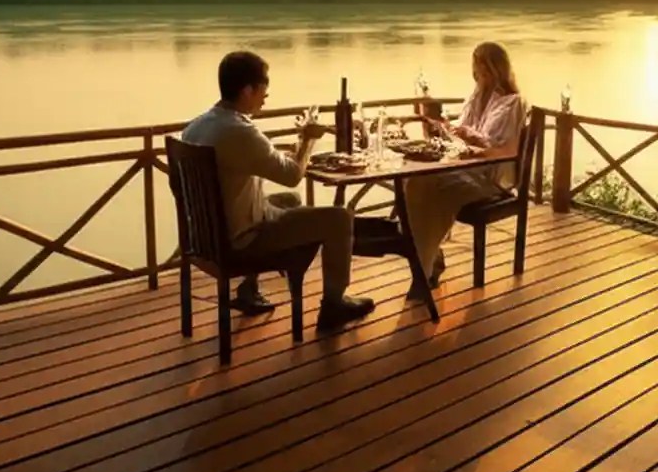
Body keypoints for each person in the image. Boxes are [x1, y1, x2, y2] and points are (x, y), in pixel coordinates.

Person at [180, 50, 376, 331]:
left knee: (290, 201)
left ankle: (249, 290)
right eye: (264, 90)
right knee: (339, 218)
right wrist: (308, 139)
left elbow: (262, 161)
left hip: (205, 236)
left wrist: (296, 146)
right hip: (241, 240)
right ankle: (334, 303)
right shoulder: (240, 132)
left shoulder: (197, 126)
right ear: (247, 90)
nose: (265, 97)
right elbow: (293, 174)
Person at [404, 42, 527, 299]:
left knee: (431, 186)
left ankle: (424, 270)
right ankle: (428, 261)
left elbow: (494, 145)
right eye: (477, 69)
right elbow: (460, 133)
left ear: (498, 69)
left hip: (491, 180)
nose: (480, 74)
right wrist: (441, 126)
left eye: (485, 69)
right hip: (468, 169)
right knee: (414, 180)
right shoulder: (475, 96)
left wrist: (467, 135)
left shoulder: (512, 103)